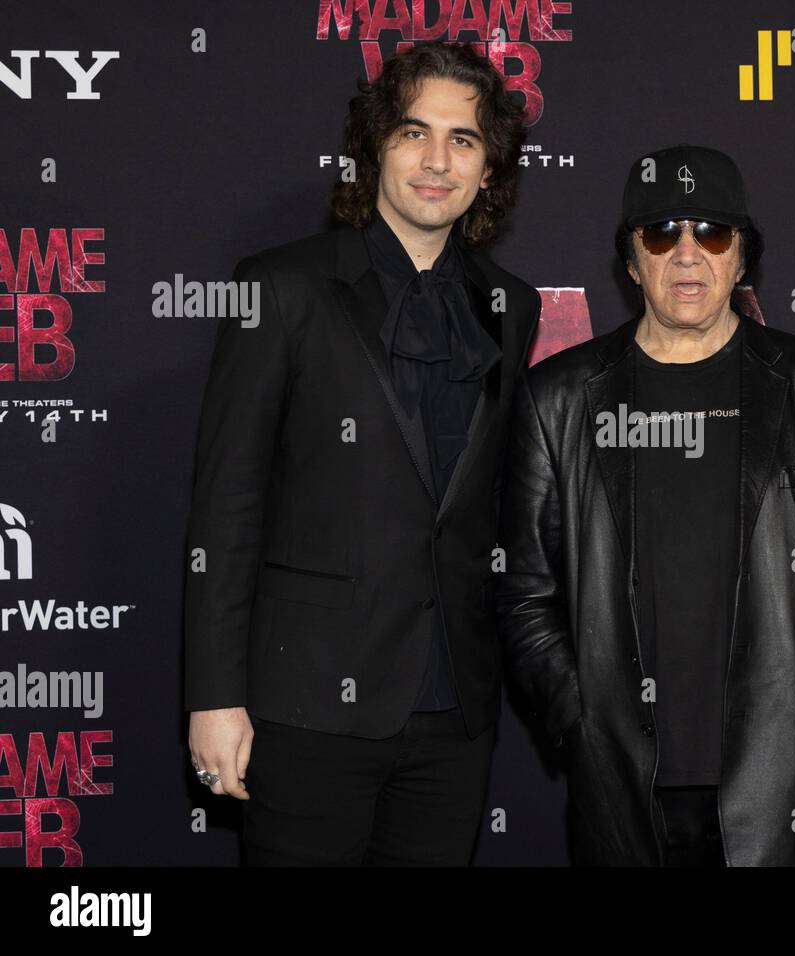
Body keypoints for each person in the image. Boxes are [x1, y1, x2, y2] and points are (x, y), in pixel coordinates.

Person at [183, 42, 540, 865]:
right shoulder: (281, 288)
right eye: (414, 132)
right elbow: (226, 507)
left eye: (464, 139)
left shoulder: (507, 308)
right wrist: (213, 699)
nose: (436, 160)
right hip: (307, 700)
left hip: (454, 709)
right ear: (375, 146)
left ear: (489, 171)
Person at [495, 143, 795, 866]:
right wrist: (579, 720)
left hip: (783, 785)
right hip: (622, 788)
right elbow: (524, 589)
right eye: (661, 234)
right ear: (631, 260)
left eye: (712, 234)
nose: (688, 255)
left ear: (742, 258)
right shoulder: (557, 398)